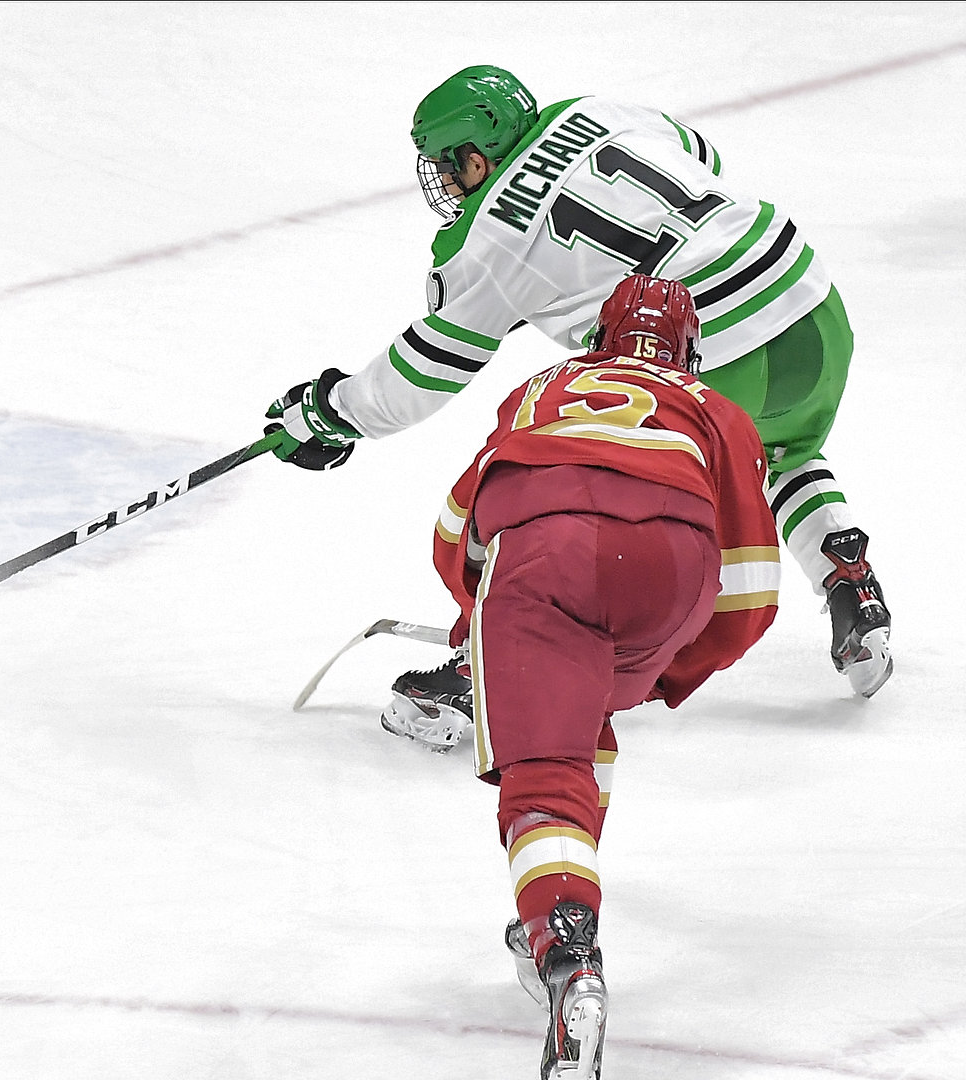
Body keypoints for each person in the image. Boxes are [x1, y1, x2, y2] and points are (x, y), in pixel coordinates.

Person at [262, 66, 891, 712]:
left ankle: (502, 658)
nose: (445, 183)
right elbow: (702, 154)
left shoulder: (485, 240)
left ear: (476, 159)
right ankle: (848, 576)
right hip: (809, 299)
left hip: (701, 356)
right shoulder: (595, 109)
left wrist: (332, 411)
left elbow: (425, 372)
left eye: (448, 166)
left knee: (577, 486)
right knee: (782, 451)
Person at [418, 275, 778, 1078]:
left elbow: (457, 525)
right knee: (586, 718)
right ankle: (563, 886)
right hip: (672, 570)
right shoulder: (716, 409)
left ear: (597, 338)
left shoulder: (543, 385)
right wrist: (668, 669)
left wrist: (480, 624)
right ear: (689, 352)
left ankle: (566, 943)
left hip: (544, 554)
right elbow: (750, 594)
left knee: (545, 774)